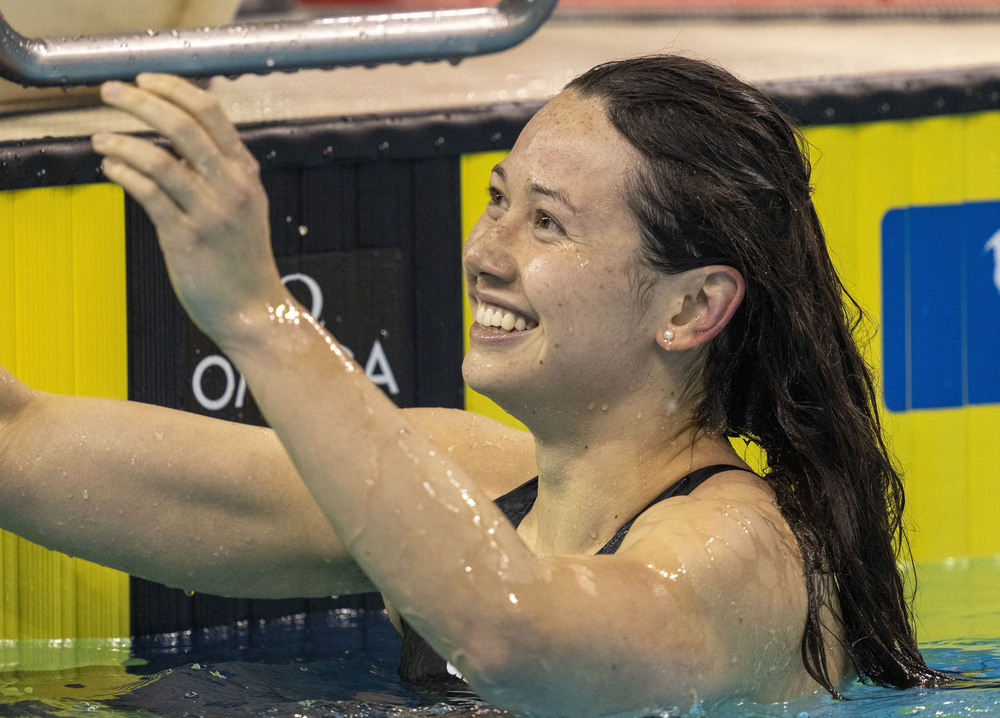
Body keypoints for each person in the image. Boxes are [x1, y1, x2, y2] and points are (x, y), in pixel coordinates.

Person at [0, 54, 946, 716]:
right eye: (498, 199)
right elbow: (25, 450)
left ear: (691, 308)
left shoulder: (737, 561)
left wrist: (260, 314)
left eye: (547, 225)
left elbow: (512, 641)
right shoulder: (466, 477)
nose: (485, 252)